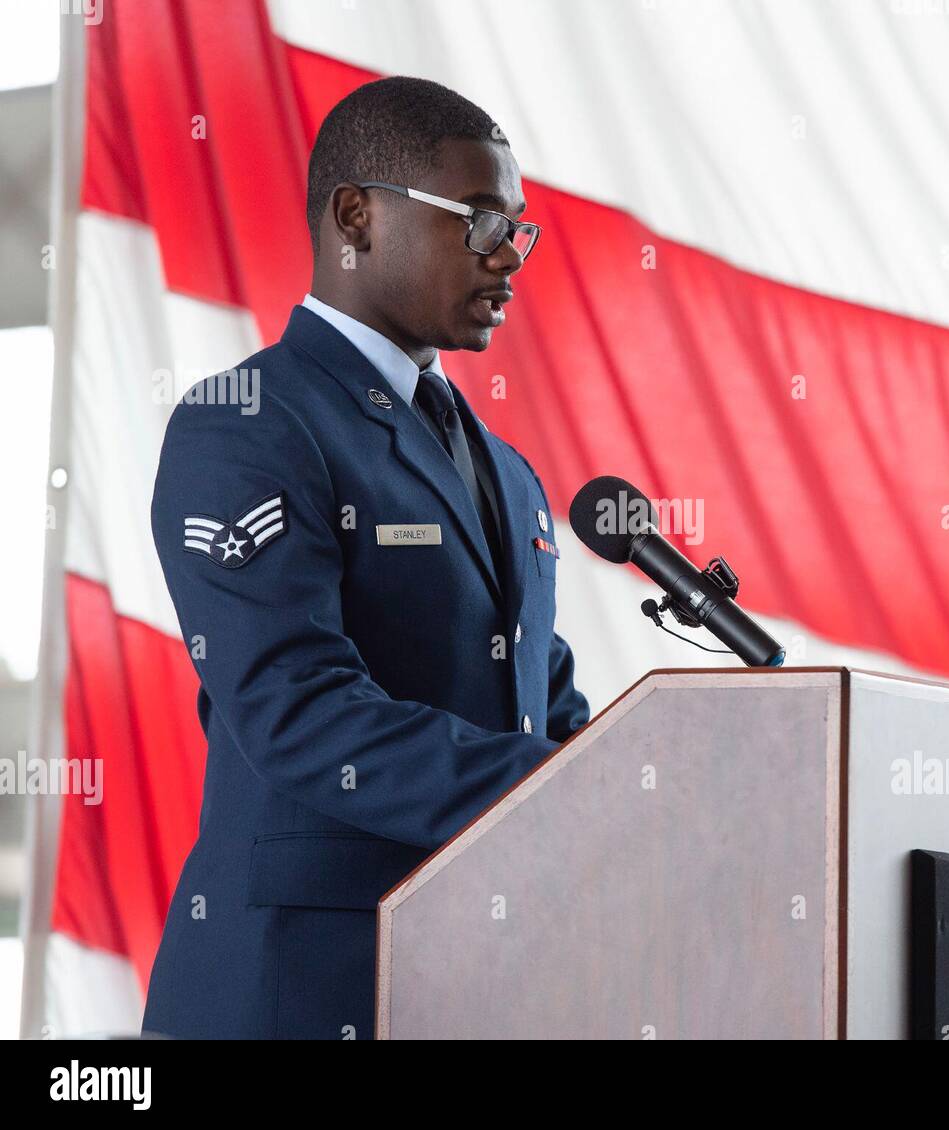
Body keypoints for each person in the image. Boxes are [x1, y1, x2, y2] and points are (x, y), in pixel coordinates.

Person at [142, 76, 589, 1039]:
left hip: (479, 982)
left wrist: (644, 777)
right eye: (480, 222)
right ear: (357, 216)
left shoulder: (507, 472)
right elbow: (299, 711)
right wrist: (561, 795)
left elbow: (544, 704)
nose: (511, 256)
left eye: (520, 228)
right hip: (300, 990)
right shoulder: (249, 426)